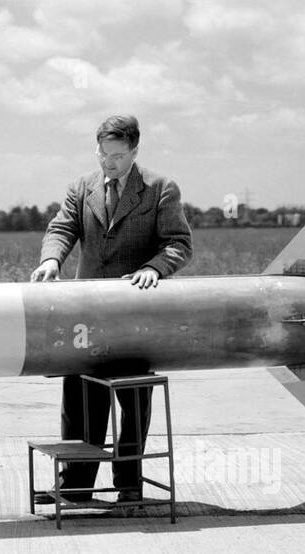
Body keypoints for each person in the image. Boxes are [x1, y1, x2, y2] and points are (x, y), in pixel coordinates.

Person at [30, 114, 193, 506]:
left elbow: (179, 244)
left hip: (135, 315)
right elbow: (62, 228)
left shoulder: (160, 188)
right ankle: (75, 486)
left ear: (135, 151)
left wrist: (154, 268)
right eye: (103, 153)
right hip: (86, 313)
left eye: (117, 156)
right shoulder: (81, 187)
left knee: (133, 402)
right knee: (80, 400)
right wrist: (53, 259)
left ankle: (129, 484)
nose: (108, 162)